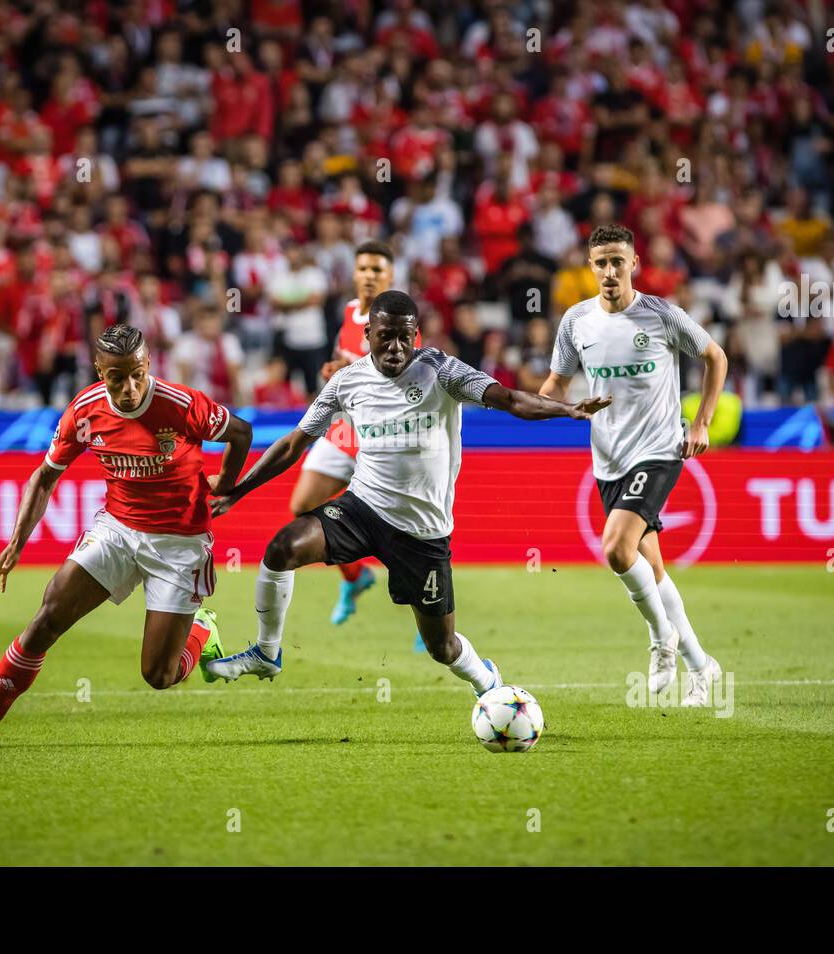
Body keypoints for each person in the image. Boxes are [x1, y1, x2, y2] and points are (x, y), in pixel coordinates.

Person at [203, 291, 608, 692]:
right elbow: (294, 443)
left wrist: (565, 409)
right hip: (362, 509)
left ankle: (487, 682)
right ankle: (267, 651)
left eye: (404, 337)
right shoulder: (347, 381)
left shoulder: (442, 371)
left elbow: (509, 399)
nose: (395, 347)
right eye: (385, 336)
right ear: (368, 334)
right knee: (282, 548)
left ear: (416, 336)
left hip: (422, 533)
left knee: (442, 646)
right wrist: (238, 491)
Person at [0, 324, 253, 749]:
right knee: (47, 618)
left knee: (159, 675)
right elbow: (45, 477)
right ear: (99, 372)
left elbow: (241, 433)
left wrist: (224, 488)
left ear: (149, 364)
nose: (129, 387)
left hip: (179, 542)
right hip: (117, 531)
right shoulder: (85, 412)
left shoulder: (181, 404)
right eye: (116, 377)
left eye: (137, 373)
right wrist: (16, 543)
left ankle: (202, 629)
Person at [539, 224, 729, 707]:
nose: (608, 271)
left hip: (661, 450)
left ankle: (660, 640)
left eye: (617, 261)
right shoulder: (575, 322)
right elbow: (555, 388)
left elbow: (715, 355)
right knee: (653, 571)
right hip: (609, 460)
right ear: (590, 267)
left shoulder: (661, 315)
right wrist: (563, 407)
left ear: (634, 264)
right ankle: (701, 666)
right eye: (600, 262)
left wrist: (701, 422)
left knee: (617, 550)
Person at [289, 239, 403, 626]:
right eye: (363, 269)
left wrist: (348, 363)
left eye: (377, 270)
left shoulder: (399, 317)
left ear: (390, 276)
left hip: (381, 437)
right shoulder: (350, 312)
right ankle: (355, 577)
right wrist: (334, 371)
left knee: (402, 533)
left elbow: (399, 374)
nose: (369, 276)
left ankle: (429, 611)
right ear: (354, 274)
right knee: (302, 506)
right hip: (343, 430)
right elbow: (347, 368)